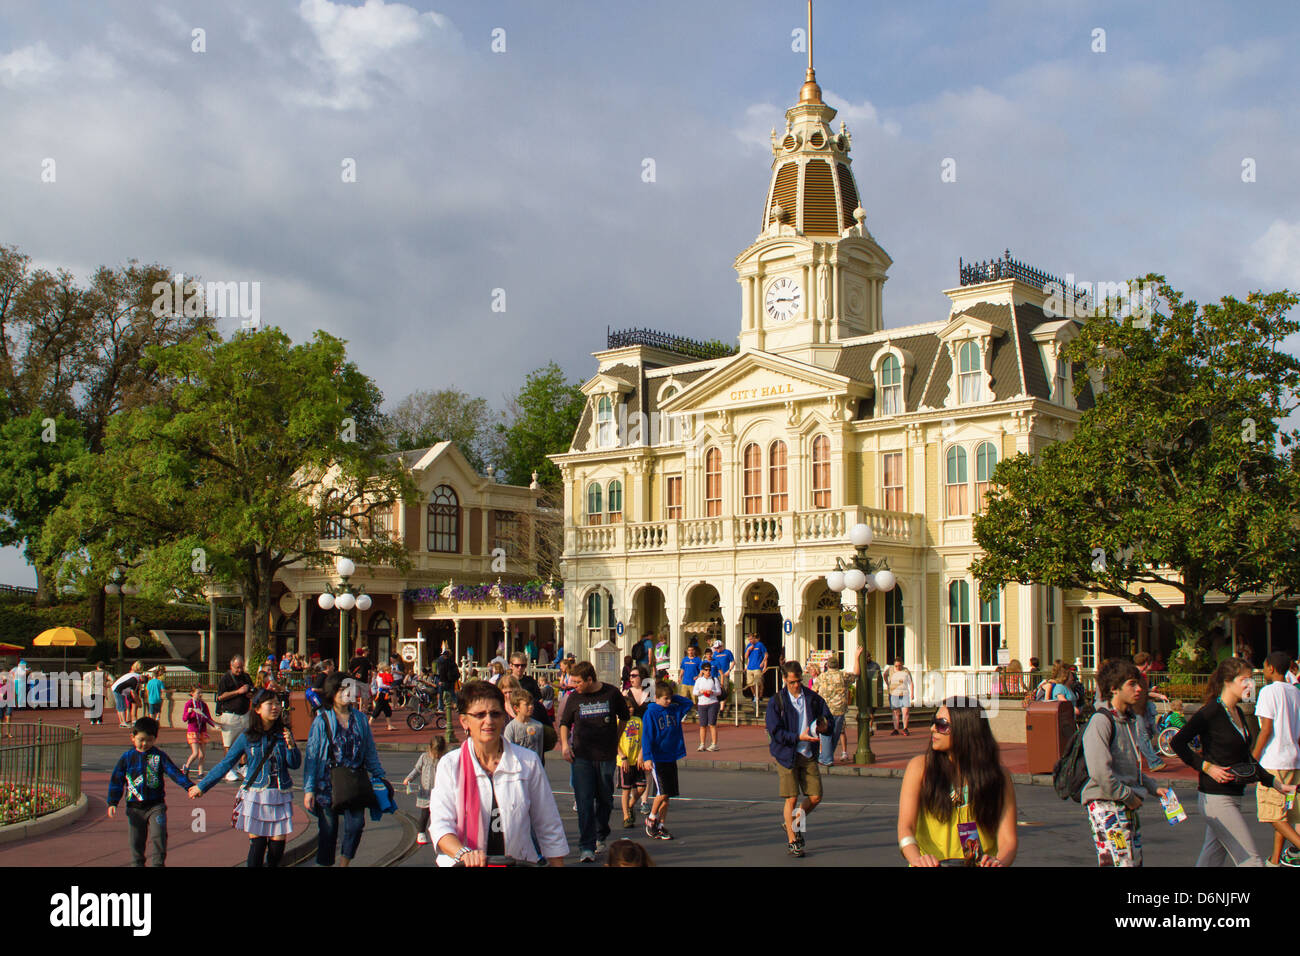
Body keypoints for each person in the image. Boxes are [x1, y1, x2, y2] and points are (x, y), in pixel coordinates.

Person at [1172, 657, 1298, 867]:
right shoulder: (1211, 712)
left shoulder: (1237, 712)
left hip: (1233, 795)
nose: (1250, 685)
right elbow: (1178, 742)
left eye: (1251, 679)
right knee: (1251, 860)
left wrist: (1278, 784)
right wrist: (1207, 767)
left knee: (1211, 857)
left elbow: (1246, 759)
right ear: (1227, 681)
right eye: (1245, 679)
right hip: (1216, 798)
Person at [429, 680, 567, 866]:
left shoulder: (527, 761)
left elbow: (548, 823)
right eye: (479, 715)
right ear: (464, 721)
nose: (489, 721)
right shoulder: (451, 765)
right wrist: (463, 853)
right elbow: (440, 824)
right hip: (464, 863)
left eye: (495, 714)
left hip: (518, 861)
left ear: (503, 717)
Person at [896, 699, 1018, 866]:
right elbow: (906, 828)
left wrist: (999, 862)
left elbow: (1008, 840)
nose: (932, 729)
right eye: (933, 722)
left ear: (965, 730)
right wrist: (917, 859)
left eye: (942, 725)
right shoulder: (919, 768)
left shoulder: (998, 776)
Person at [194, 688, 300, 866]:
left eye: (276, 704)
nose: (275, 707)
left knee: (276, 851)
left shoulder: (284, 734)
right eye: (270, 704)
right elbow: (226, 764)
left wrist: (291, 746)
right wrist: (202, 786)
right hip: (256, 795)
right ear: (257, 709)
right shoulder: (247, 737)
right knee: (257, 848)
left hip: (279, 795)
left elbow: (295, 763)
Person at [1081, 658, 1168, 867]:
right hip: (1106, 806)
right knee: (1120, 861)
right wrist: (1129, 796)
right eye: (1132, 684)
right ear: (1114, 689)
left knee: (1133, 861)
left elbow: (1130, 766)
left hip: (1126, 803)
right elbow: (1101, 773)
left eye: (1138, 683)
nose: (1139, 689)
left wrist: (1153, 788)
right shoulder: (1101, 722)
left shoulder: (1128, 720)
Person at [303, 672, 388, 867]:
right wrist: (309, 789)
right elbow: (312, 757)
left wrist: (379, 776)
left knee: (356, 825)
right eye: (341, 690)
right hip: (327, 784)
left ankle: (344, 863)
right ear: (332, 693)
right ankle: (325, 863)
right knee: (329, 829)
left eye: (349, 689)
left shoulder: (359, 719)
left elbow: (369, 750)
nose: (346, 694)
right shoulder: (322, 721)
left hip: (354, 781)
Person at [559, 660, 630, 862]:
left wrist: (616, 737)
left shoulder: (611, 693)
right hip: (582, 756)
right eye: (572, 682)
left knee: (605, 798)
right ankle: (586, 846)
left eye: (578, 682)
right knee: (584, 801)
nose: (574, 686)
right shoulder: (574, 698)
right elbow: (565, 723)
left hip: (606, 756)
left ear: (590, 680)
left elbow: (624, 717)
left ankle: (601, 832)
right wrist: (565, 745)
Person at [107, 717, 199, 866]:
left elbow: (173, 772)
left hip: (156, 806)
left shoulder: (158, 756)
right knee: (136, 841)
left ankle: (158, 864)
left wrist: (189, 786)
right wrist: (112, 802)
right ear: (133, 737)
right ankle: (137, 863)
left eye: (149, 740)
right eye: (141, 740)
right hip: (134, 808)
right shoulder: (127, 758)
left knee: (159, 836)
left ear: (155, 739)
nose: (145, 744)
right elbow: (117, 780)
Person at [766, 661, 833, 858]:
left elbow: (827, 717)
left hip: (808, 752)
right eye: (792, 682)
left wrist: (824, 726)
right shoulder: (776, 701)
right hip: (786, 753)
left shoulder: (812, 698)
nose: (796, 685)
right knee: (792, 797)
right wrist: (797, 737)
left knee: (815, 796)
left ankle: (792, 822)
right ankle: (793, 840)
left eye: (799, 681)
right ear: (785, 679)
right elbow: (775, 731)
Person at [1251, 651, 1300, 866]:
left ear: (1271, 667)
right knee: (1285, 816)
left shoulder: (1268, 692)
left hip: (1273, 761)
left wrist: (1253, 758)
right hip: (1294, 760)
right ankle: (1275, 860)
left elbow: (1266, 729)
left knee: (1272, 815)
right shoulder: (1296, 692)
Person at [641, 680, 692, 841]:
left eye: (670, 698)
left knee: (667, 794)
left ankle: (661, 825)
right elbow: (647, 736)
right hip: (658, 757)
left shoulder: (674, 709)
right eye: (665, 699)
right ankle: (651, 818)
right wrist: (647, 757)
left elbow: (689, 703)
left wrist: (672, 695)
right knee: (662, 792)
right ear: (656, 698)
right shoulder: (651, 713)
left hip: (671, 756)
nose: (668, 701)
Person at [215, 655, 254, 782]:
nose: (240, 670)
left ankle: (243, 766)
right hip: (230, 715)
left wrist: (250, 693)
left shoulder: (246, 677)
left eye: (241, 667)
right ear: (231, 666)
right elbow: (220, 697)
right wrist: (238, 692)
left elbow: (253, 689)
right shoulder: (226, 678)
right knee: (229, 744)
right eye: (237, 668)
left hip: (244, 713)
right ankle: (228, 769)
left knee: (246, 741)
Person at [403, 736, 447, 845]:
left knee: (439, 815)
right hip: (426, 791)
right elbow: (417, 770)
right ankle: (421, 833)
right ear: (430, 749)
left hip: (440, 792)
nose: (436, 755)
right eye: (435, 752)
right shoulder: (424, 757)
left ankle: (438, 834)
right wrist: (409, 778)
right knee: (425, 814)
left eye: (438, 753)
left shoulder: (445, 759)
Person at [814, 656, 852, 764]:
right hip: (839, 709)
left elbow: (814, 691)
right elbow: (857, 674)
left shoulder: (822, 677)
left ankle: (826, 758)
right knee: (835, 734)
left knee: (825, 733)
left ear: (828, 665)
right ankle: (826, 757)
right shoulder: (843, 675)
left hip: (826, 709)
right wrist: (856, 657)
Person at [616, 703, 646, 829]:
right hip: (625, 761)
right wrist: (623, 757)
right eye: (627, 707)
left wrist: (641, 755)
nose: (630, 709)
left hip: (636, 759)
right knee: (626, 790)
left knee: (641, 787)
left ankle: (630, 805)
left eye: (631, 707)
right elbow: (615, 741)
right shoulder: (618, 722)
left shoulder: (638, 721)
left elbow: (643, 739)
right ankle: (626, 816)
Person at [503, 689, 547, 764]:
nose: (531, 707)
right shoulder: (511, 728)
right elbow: (508, 752)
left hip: (534, 767)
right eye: (527, 704)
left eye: (532, 704)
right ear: (516, 708)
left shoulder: (538, 726)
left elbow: (540, 751)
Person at [181, 686, 214, 777]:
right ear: (192, 693)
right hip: (193, 730)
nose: (200, 695)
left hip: (202, 730)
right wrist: (189, 712)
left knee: (202, 754)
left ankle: (200, 771)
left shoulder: (203, 705)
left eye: (201, 693)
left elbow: (208, 718)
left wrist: (215, 725)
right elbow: (184, 719)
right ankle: (187, 766)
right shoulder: (189, 704)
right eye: (198, 693)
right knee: (195, 753)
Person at [693, 662, 723, 752]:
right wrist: (701, 692)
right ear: (702, 671)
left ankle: (714, 744)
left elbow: (719, 692)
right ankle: (702, 744)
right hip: (702, 704)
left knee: (712, 724)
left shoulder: (714, 679)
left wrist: (712, 692)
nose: (708, 671)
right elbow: (695, 692)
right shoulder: (699, 680)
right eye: (706, 670)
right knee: (702, 725)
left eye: (709, 669)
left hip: (712, 703)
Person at [882, 657, 914, 736]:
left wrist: (912, 693)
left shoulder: (905, 670)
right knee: (895, 711)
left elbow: (911, 682)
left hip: (904, 693)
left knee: (905, 711)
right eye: (896, 666)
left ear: (902, 665)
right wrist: (888, 684)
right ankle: (896, 729)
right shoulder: (890, 669)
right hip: (894, 693)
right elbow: (884, 675)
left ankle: (905, 728)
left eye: (899, 666)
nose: (898, 667)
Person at [712, 640, 735, 715]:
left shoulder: (727, 652)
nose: (717, 650)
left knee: (724, 690)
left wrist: (729, 670)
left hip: (724, 674)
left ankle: (721, 709)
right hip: (716, 675)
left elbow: (733, 662)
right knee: (716, 690)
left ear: (722, 646)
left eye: (718, 648)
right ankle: (717, 706)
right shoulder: (714, 654)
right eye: (715, 648)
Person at [744, 633, 768, 702]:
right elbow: (746, 656)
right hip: (750, 667)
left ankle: (759, 696)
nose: (750, 641)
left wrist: (763, 663)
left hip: (757, 667)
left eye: (751, 639)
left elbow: (766, 654)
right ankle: (755, 695)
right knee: (750, 683)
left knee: (757, 682)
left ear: (754, 638)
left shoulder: (760, 645)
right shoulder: (749, 645)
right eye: (749, 640)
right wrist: (748, 649)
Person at [371, 663, 395, 731]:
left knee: (387, 710)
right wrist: (389, 687)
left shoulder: (384, 674)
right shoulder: (380, 675)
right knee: (377, 709)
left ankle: (389, 725)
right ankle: (368, 724)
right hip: (381, 694)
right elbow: (381, 685)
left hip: (385, 694)